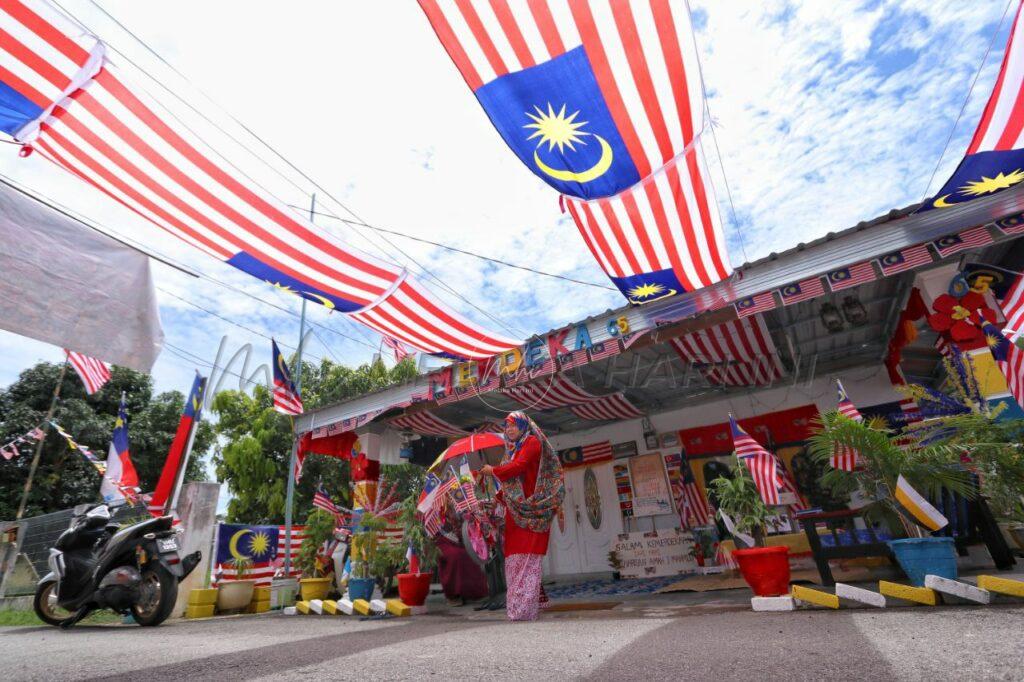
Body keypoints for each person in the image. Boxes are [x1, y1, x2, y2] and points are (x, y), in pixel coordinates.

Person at [478, 411, 564, 621]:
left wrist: (494, 470)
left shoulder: (532, 443)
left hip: (533, 510)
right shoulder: (511, 450)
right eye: (506, 426)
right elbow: (509, 484)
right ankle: (522, 607)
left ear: (523, 425)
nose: (509, 429)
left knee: (528, 561)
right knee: (515, 563)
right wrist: (493, 501)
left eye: (513, 425)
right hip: (514, 513)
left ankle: (524, 611)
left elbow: (520, 467)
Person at [434, 497, 488, 605]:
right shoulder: (436, 508)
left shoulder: (461, 505)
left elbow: (468, 525)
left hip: (461, 540)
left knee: (471, 553)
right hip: (443, 541)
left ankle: (474, 593)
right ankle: (454, 595)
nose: (450, 499)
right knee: (456, 556)